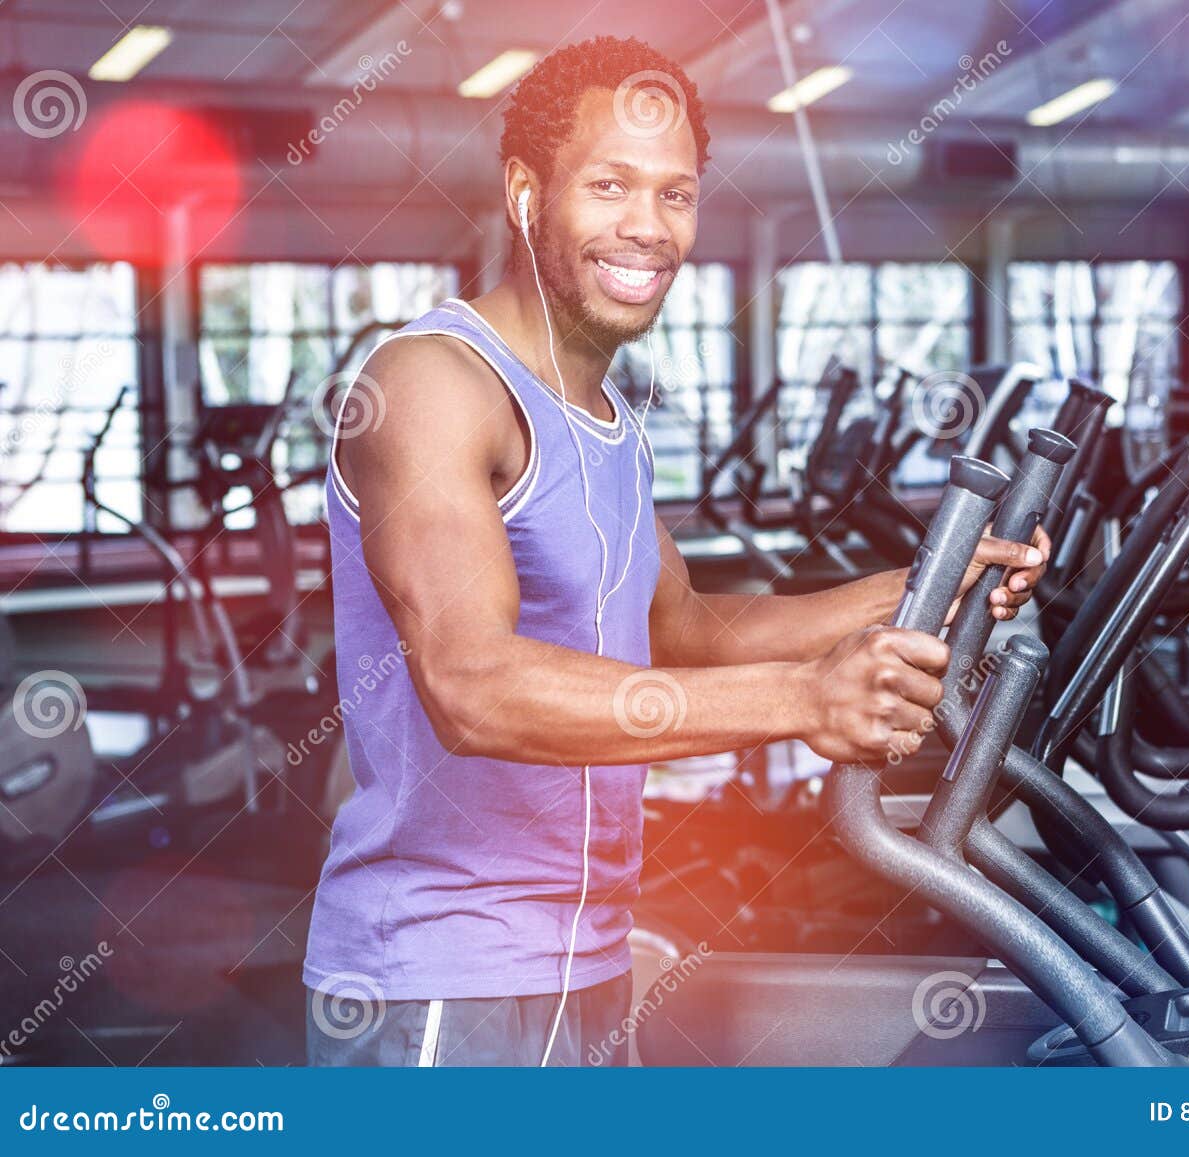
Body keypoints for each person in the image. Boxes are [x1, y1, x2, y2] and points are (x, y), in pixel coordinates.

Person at [302, 35, 1048, 1067]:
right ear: (525, 193)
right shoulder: (433, 382)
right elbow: (471, 684)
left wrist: (922, 585)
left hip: (589, 953)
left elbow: (684, 628)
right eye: (609, 186)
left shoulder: (606, 417)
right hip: (444, 972)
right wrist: (806, 698)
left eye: (676, 194)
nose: (647, 228)